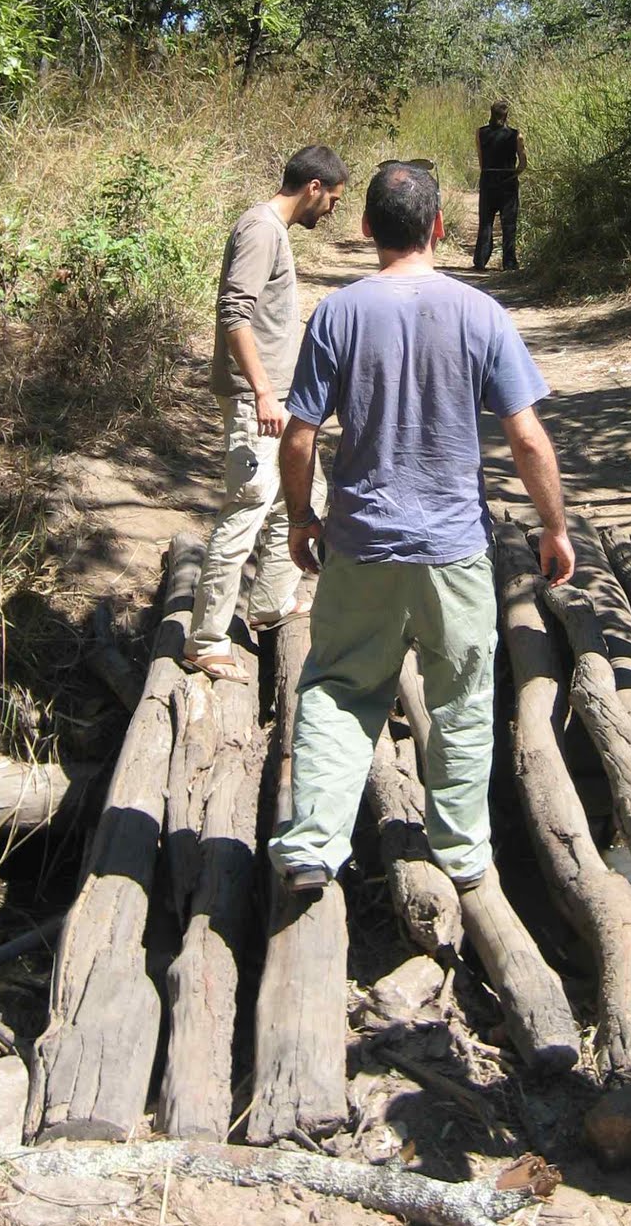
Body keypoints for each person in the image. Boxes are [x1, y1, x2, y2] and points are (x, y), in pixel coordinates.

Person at [268, 161, 574, 892]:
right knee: (463, 699)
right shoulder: (481, 315)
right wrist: (553, 527)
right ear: (440, 227)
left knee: (340, 687)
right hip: (454, 551)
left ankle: (312, 845)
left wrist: (301, 519)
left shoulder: (339, 313)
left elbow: (299, 435)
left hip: (361, 544)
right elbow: (527, 438)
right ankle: (463, 853)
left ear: (368, 227)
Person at [183, 145, 349, 683]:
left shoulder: (272, 231)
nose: (331, 213)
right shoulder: (259, 229)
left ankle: (272, 602)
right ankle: (206, 640)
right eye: (333, 201)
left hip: (280, 397)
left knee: (302, 496)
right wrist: (261, 392)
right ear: (314, 187)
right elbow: (235, 312)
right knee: (248, 506)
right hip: (262, 400)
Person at [473, 99, 527, 271]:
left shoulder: (480, 133)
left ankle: (481, 260)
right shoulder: (516, 135)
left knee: (486, 221)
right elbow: (523, 163)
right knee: (509, 223)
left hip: (488, 179)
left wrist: (489, 172)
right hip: (508, 182)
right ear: (506, 115)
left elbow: (481, 160)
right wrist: (513, 174)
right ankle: (509, 262)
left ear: (491, 113)